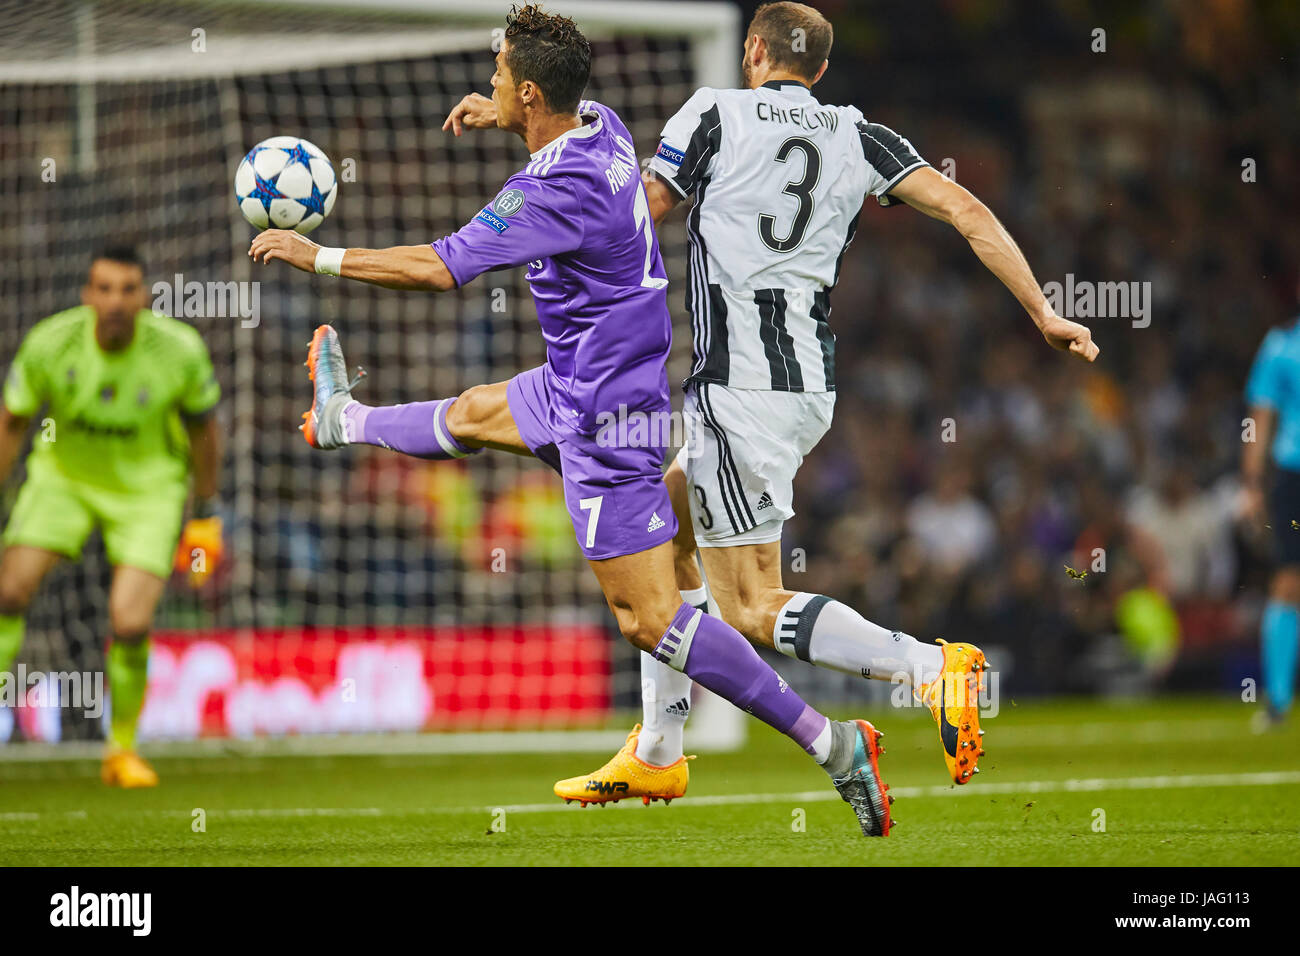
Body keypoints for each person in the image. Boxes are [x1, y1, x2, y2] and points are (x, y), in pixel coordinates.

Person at [248, 4, 892, 836]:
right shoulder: (602, 124)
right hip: (580, 379)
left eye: (496, 80)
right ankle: (342, 417)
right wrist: (502, 115)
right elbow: (549, 117)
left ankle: (833, 743)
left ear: (526, 91)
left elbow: (441, 268)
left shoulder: (556, 188)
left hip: (604, 413)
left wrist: (318, 255)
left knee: (650, 619)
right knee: (478, 414)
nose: (485, 87)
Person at [556, 1, 1098, 804]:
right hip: (805, 385)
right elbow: (966, 210)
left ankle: (929, 668)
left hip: (741, 390)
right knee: (664, 532)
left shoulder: (714, 114)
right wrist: (1043, 311)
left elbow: (639, 214)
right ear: (819, 70)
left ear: (752, 52)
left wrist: (540, 218)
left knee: (749, 604)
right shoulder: (857, 133)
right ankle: (660, 747)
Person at [0, 245, 222, 786]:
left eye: (127, 289)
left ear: (144, 296)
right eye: (104, 289)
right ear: (87, 294)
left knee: (129, 621)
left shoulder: (179, 350)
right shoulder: (52, 343)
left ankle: (121, 749)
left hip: (150, 488)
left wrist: (205, 516)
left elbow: (204, 434)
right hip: (65, 480)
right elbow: (13, 424)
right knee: (8, 591)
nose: (116, 301)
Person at [1243, 301, 1300, 730]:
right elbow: (1261, 416)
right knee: (1288, 580)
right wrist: (1253, 483)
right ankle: (1279, 700)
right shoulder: (1281, 345)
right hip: (1292, 473)